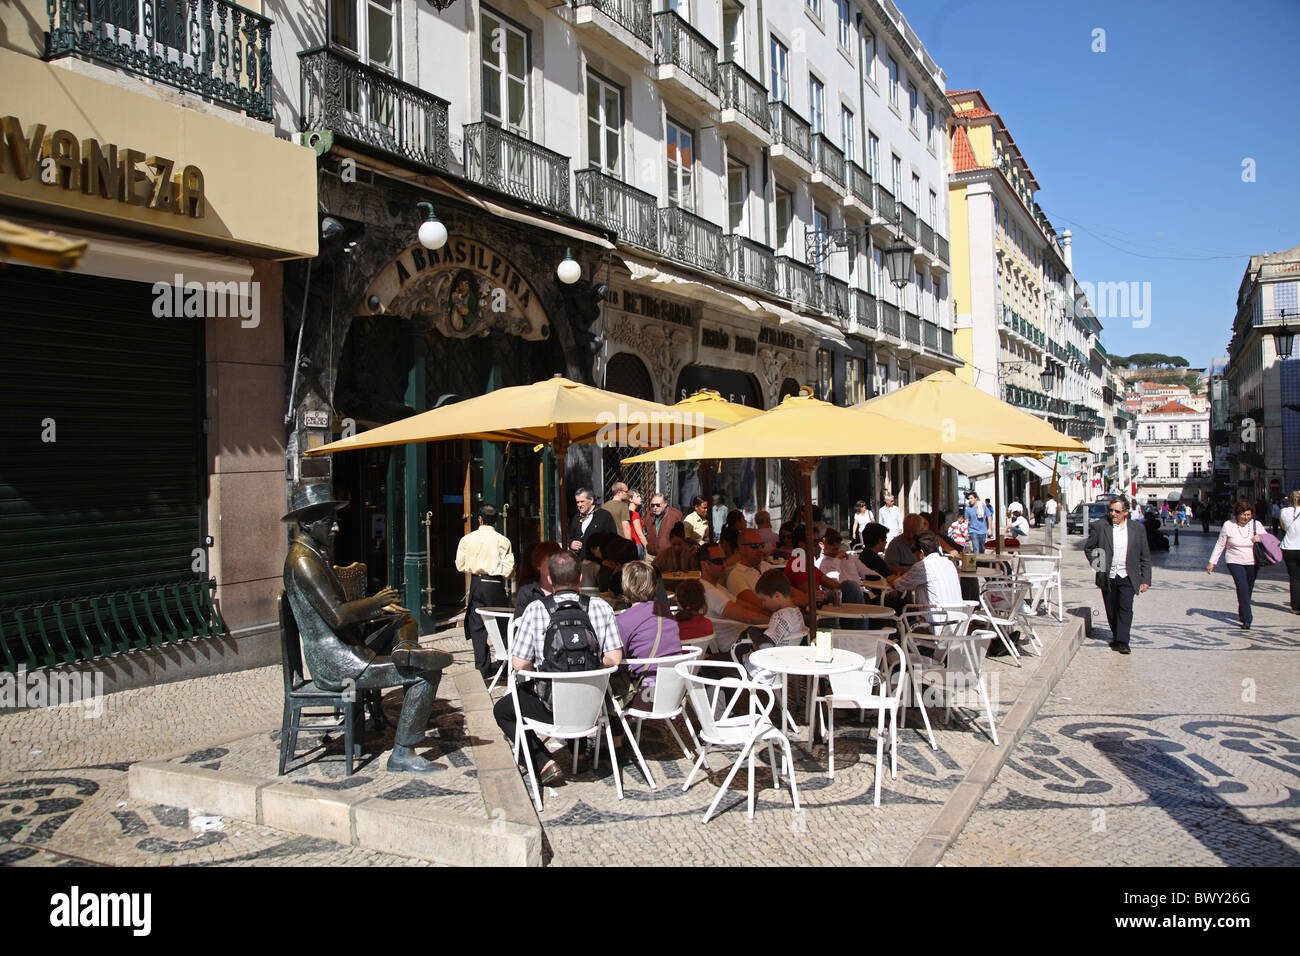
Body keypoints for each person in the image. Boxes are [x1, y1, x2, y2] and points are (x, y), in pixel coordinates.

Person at [282, 482, 452, 773]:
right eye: (329, 522)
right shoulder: (304, 562)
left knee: (402, 618)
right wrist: (374, 602)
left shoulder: (311, 555)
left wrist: (380, 609)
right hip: (338, 664)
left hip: (347, 646)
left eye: (335, 521)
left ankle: (406, 650)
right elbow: (337, 616)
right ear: (309, 524)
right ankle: (402, 752)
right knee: (427, 674)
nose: (336, 527)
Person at [493, 551, 622, 786]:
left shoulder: (535, 610)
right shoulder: (602, 608)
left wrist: (548, 668)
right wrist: (587, 665)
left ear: (550, 580)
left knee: (502, 710)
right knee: (579, 682)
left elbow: (519, 664)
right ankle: (579, 754)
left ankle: (544, 762)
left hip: (550, 707)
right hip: (591, 705)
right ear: (580, 578)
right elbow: (614, 658)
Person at [455, 504, 516, 681]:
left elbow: (460, 565)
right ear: (495, 520)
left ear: (479, 519)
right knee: (502, 625)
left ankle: (482, 667)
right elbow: (509, 568)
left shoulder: (467, 539)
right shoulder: (503, 541)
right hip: (495, 584)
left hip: (476, 583)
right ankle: (506, 666)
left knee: (477, 626)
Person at [1085, 496, 1152, 654]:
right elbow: (1089, 548)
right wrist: (1099, 565)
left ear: (1126, 512)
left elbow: (1145, 556)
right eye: (1111, 510)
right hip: (1108, 576)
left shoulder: (1137, 529)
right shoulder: (1100, 526)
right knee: (1111, 608)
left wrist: (1146, 579)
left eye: (1117, 511)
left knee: (1125, 607)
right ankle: (1117, 635)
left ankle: (1123, 641)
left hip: (1128, 575)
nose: (1113, 514)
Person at [615, 561, 682, 709]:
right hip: (676, 689)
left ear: (625, 586)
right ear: (655, 585)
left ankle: (616, 731)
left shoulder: (623, 621)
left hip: (645, 694)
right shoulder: (665, 611)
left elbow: (617, 663)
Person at [697, 542, 771, 650]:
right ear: (704, 564)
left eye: (724, 559)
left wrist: (769, 614)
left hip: (746, 634)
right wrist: (776, 620)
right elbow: (747, 617)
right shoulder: (708, 591)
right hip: (736, 644)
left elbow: (746, 606)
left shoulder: (717, 587)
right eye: (718, 562)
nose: (724, 565)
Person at [1206, 500, 1265, 629]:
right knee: (1242, 587)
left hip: (1253, 561)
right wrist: (1212, 562)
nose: (1246, 518)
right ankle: (1247, 618)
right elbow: (1220, 544)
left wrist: (1260, 538)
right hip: (1234, 561)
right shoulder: (1228, 525)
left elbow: (1267, 539)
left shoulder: (1256, 524)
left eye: (1248, 515)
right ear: (1237, 514)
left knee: (1248, 588)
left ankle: (1242, 610)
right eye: (1243, 515)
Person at [743, 570, 808, 682]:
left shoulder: (779, 616)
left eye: (764, 600)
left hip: (767, 669)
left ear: (777, 595)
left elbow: (765, 646)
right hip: (785, 665)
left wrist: (752, 631)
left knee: (716, 666)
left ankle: (737, 698)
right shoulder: (796, 613)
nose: (763, 604)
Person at [886, 531, 963, 609]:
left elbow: (897, 585)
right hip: (957, 615)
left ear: (921, 552)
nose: (913, 554)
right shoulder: (949, 563)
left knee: (895, 604)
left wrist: (891, 578)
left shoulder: (923, 566)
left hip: (936, 617)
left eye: (913, 550)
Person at [514, 541, 562, 618]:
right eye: (551, 562)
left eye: (559, 562)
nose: (556, 566)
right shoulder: (528, 593)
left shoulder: (566, 591)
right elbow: (518, 624)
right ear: (538, 565)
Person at [672, 579, 715, 644]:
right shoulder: (708, 624)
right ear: (702, 601)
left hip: (676, 654)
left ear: (679, 602)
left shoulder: (671, 624)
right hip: (700, 654)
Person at [645, 492, 683, 558]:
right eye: (652, 505)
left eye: (657, 505)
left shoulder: (675, 515)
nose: (655, 507)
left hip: (668, 556)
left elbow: (681, 535)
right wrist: (647, 546)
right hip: (651, 555)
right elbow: (644, 531)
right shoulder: (649, 515)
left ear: (665, 504)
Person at [1281, 489, 1300, 615]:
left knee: (1294, 577)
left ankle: (1295, 606)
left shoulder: (1284, 511)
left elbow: (1283, 527)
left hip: (1289, 547)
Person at [627, 489, 649, 559]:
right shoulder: (634, 514)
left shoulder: (626, 512)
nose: (640, 498)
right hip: (637, 545)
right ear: (630, 499)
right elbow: (639, 534)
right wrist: (647, 547)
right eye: (637, 496)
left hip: (631, 545)